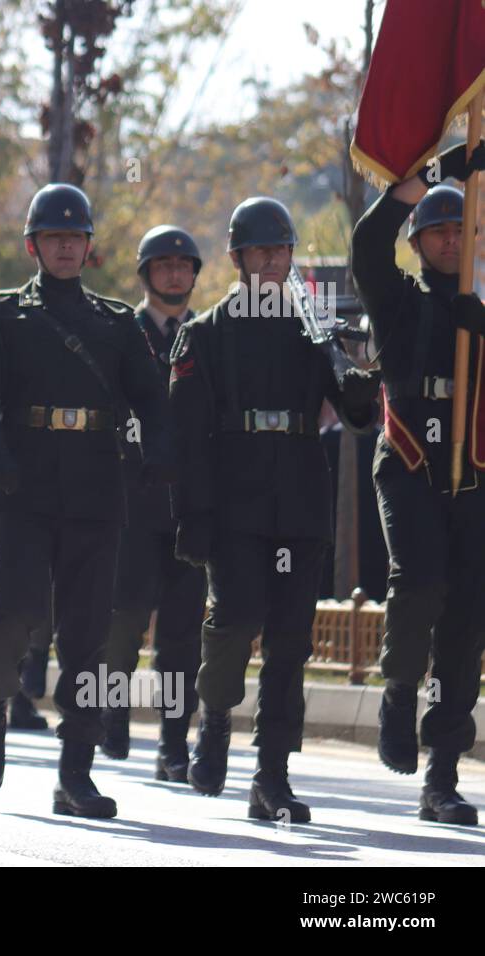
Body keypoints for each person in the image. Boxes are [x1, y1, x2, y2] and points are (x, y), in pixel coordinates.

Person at [0, 183, 172, 818]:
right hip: (23, 488)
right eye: (55, 238)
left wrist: (159, 453)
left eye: (76, 238)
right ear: (34, 246)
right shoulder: (1, 315)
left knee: (89, 637)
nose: (67, 247)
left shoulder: (115, 324)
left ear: (90, 247)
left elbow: (153, 399)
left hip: (96, 490)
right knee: (14, 611)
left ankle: (75, 772)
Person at [171, 196, 379, 822]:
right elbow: (184, 439)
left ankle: (272, 775)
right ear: (236, 259)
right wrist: (192, 517)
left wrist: (361, 372)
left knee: (290, 644)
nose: (272, 261)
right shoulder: (205, 334)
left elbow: (359, 415)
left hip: (298, 500)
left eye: (281, 250)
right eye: (260, 251)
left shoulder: (312, 329)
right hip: (233, 501)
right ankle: (213, 719)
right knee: (233, 621)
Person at [350, 137, 485, 825]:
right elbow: (366, 245)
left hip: (475, 472)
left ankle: (442, 775)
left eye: (463, 229)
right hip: (411, 463)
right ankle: (399, 691)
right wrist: (438, 171)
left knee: (466, 619)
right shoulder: (398, 299)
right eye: (438, 229)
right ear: (421, 239)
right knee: (422, 581)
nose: (451, 240)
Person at [100, 225, 207, 781]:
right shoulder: (124, 333)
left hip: (188, 507)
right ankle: (112, 714)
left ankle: (172, 743)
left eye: (183, 265)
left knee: (182, 635)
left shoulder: (206, 335)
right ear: (145, 274)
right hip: (133, 504)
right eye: (162, 264)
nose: (173, 273)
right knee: (124, 622)